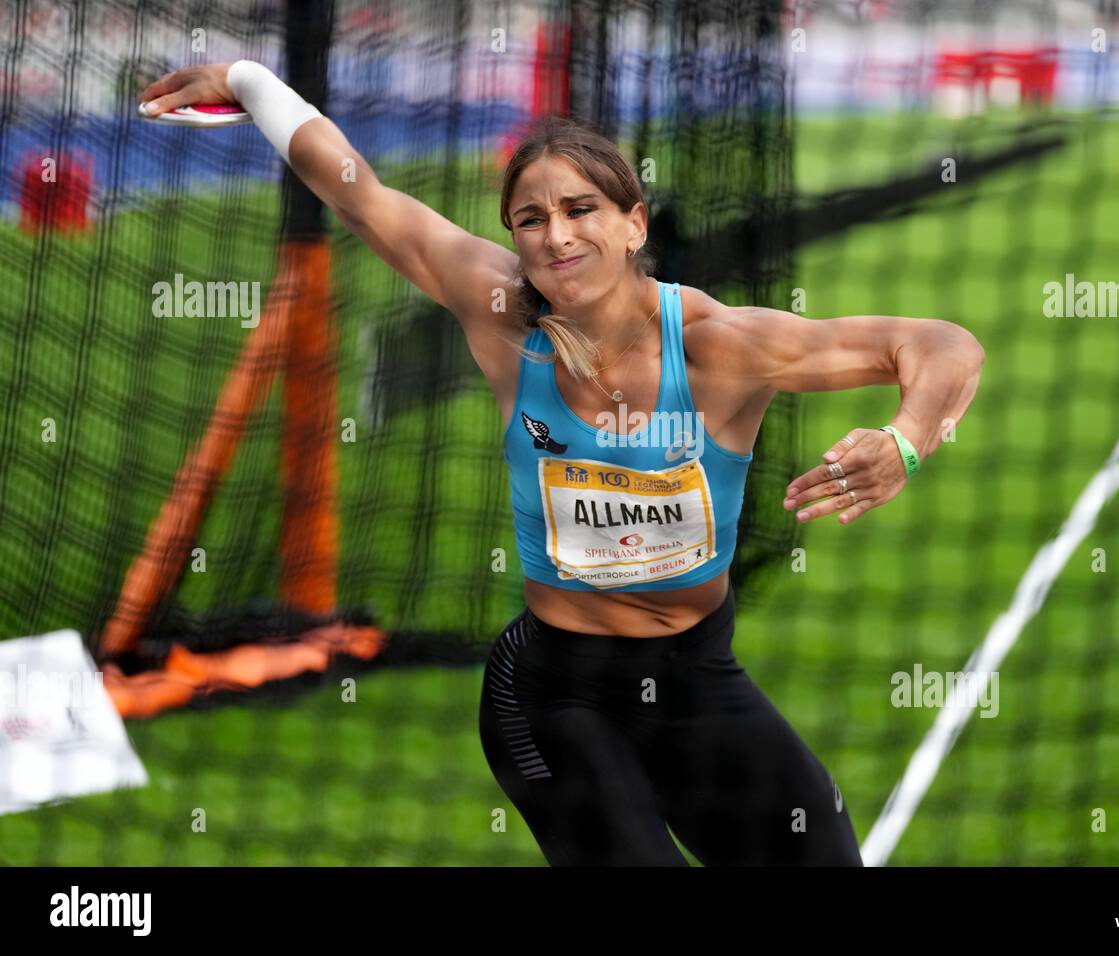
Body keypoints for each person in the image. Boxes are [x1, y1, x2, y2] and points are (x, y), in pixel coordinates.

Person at [140, 61, 985, 866]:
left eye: (582, 210)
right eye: (531, 219)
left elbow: (941, 345)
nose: (557, 236)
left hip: (697, 678)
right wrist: (250, 83)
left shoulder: (720, 350)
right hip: (552, 693)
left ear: (634, 224)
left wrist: (905, 441)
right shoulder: (502, 313)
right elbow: (363, 196)